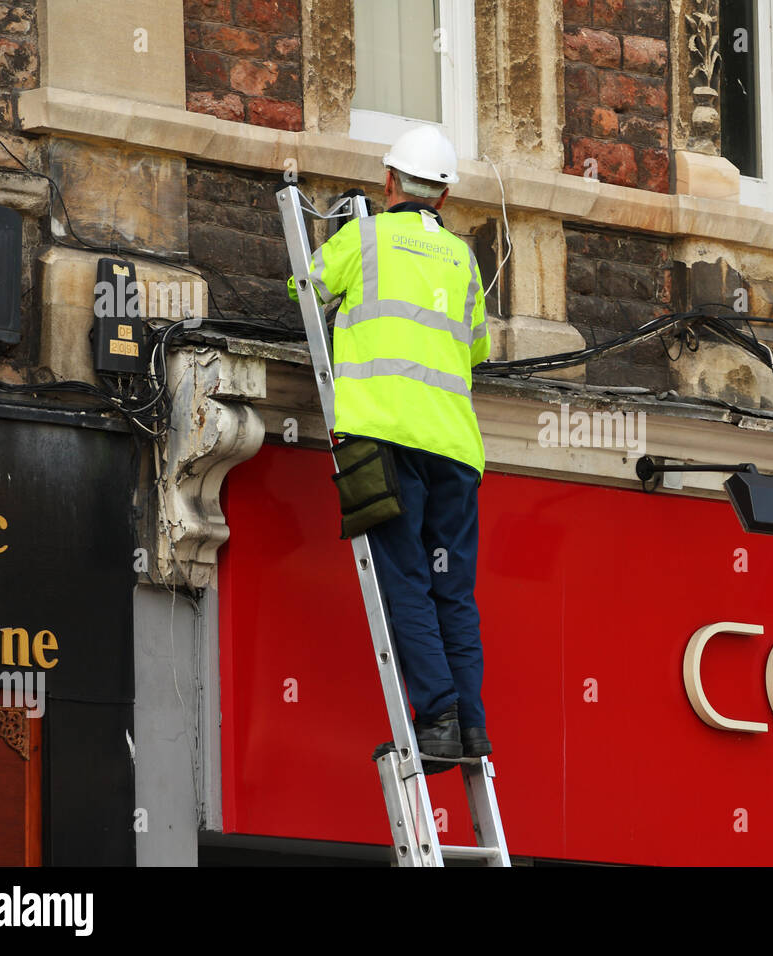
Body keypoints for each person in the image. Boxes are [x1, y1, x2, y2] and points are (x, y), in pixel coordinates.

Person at [287, 124, 491, 762]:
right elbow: (477, 347)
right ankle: (473, 727)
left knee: (402, 575)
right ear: (445, 196)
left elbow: (304, 289)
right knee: (451, 588)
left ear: (389, 183)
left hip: (381, 438)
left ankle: (436, 720)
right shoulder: (463, 260)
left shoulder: (364, 235)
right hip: (456, 451)